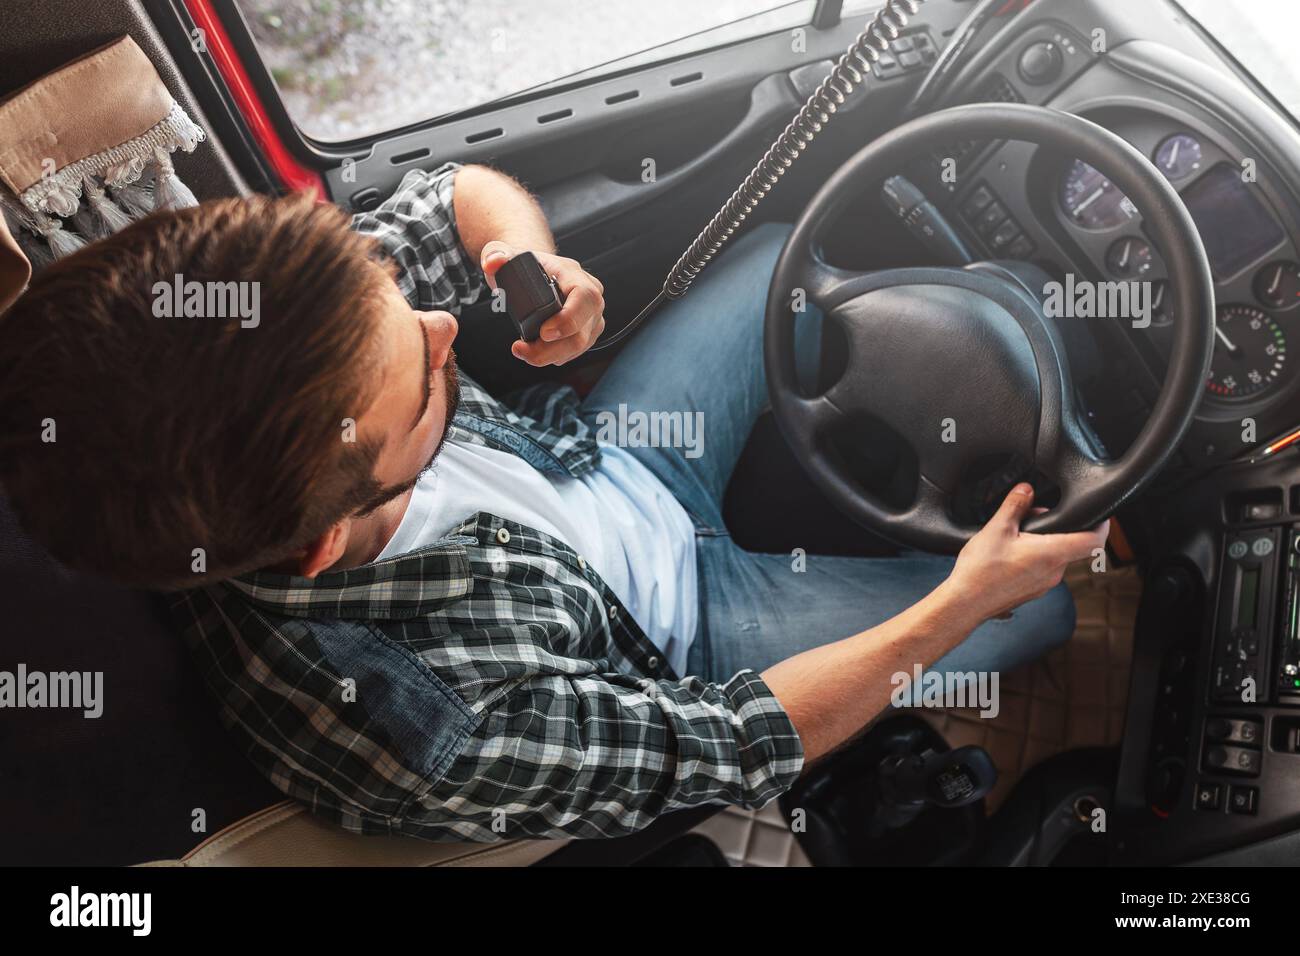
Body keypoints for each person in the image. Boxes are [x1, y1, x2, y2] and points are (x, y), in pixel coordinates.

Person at [0, 164, 1106, 840]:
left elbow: (449, 199)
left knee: (779, 259)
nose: (444, 331)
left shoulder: (262, 335)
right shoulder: (433, 729)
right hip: (682, 624)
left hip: (596, 458)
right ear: (328, 538)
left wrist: (522, 255)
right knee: (1036, 612)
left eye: (403, 307)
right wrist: (959, 603)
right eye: (424, 376)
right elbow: (739, 737)